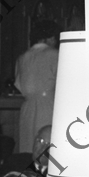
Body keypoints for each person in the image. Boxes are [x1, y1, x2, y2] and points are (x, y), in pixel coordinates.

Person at [15, 20, 60, 156]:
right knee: (48, 148)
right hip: (49, 106)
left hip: (27, 109)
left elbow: (19, 84)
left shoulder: (22, 57)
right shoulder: (55, 54)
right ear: (51, 37)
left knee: (29, 148)